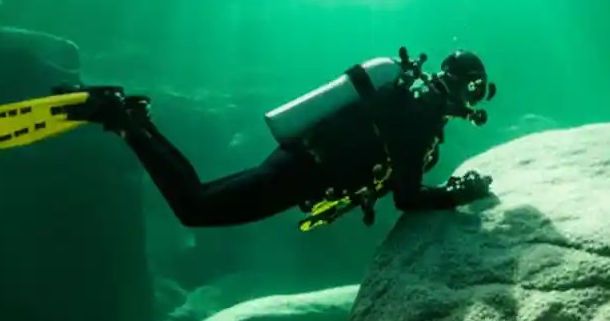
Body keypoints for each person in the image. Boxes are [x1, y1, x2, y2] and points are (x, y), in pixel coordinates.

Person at [78, 47, 497, 231]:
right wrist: (458, 195)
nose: (472, 102)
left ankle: (135, 123)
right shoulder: (419, 118)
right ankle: (126, 121)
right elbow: (407, 197)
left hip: (298, 159)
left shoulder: (406, 95)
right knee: (196, 207)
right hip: (303, 173)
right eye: (476, 91)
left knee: (201, 199)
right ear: (466, 86)